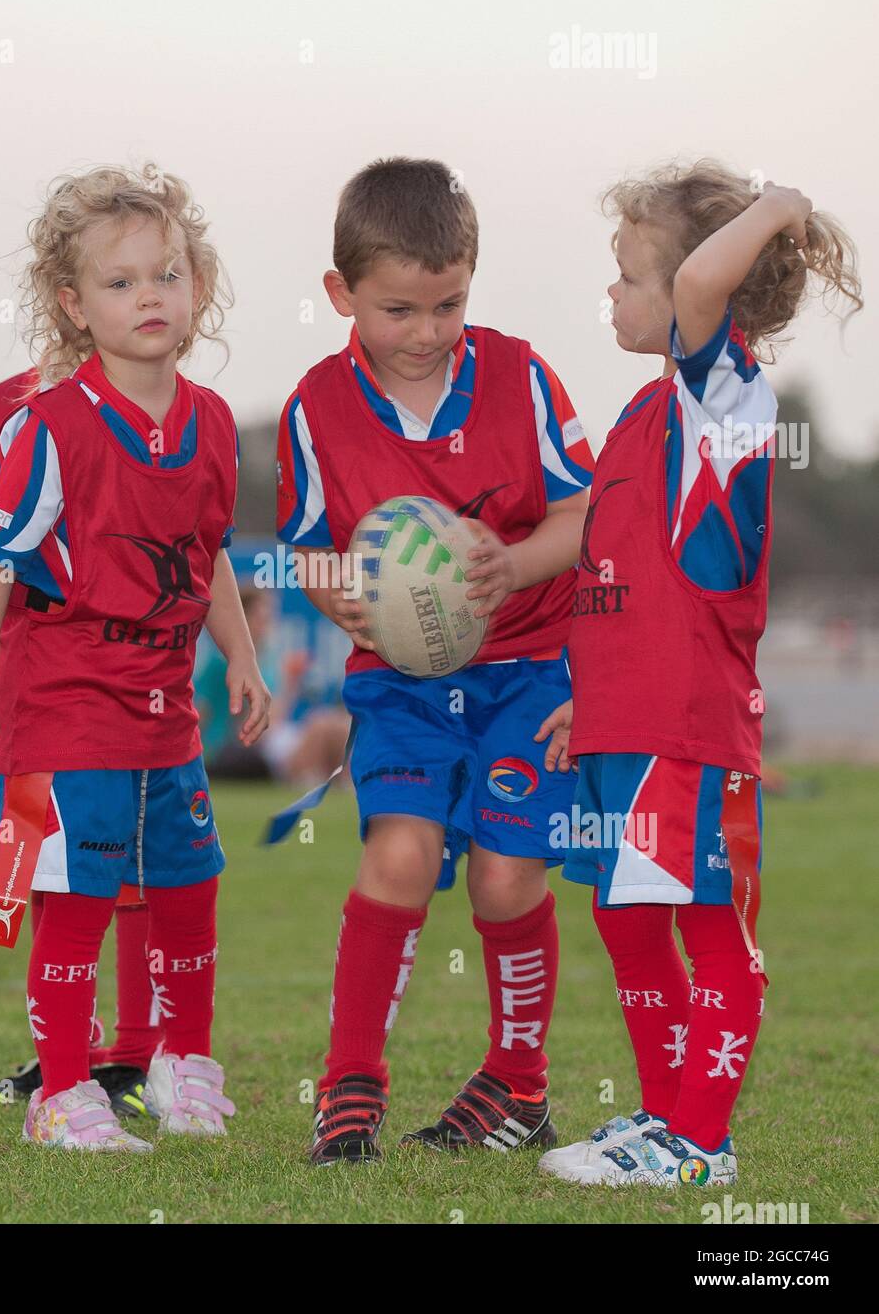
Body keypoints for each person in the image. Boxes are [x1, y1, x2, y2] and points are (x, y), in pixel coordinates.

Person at [534, 163, 861, 1187]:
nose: (613, 297)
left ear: (693, 288)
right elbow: (616, 571)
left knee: (712, 928)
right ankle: (660, 1117)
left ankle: (700, 1145)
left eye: (629, 277)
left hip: (686, 725)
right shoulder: (639, 417)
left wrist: (775, 207)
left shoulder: (722, 393)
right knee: (624, 913)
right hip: (620, 724)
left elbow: (694, 295)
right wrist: (582, 698)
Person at [0, 164, 271, 1152]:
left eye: (165, 274)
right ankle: (64, 1095)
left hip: (165, 709)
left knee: (186, 882)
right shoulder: (49, 426)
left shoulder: (212, 423)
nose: (148, 297)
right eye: (119, 283)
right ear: (73, 305)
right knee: (74, 892)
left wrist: (242, 660)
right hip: (64, 700)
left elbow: (204, 551)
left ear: (197, 284)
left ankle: (183, 1066)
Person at [276, 157, 594, 1165]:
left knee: (505, 876)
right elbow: (306, 548)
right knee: (400, 855)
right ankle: (350, 1086)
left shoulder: (521, 374)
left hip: (528, 669)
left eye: (447, 303)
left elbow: (582, 514)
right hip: (400, 683)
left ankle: (517, 1085)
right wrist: (340, 591)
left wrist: (511, 563)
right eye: (397, 309)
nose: (424, 331)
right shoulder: (314, 406)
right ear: (340, 296)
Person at [0, 372, 165, 1120]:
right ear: (66, 291)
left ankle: (133, 1054)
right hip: (28, 691)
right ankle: (68, 1049)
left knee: (132, 867)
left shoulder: (163, 400)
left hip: (124, 690)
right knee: (28, 872)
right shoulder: (9, 403)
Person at [196, 586, 351, 785]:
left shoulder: (268, 662)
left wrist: (291, 683)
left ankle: (344, 785)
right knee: (321, 726)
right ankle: (314, 781)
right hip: (242, 747)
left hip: (268, 738)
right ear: (243, 620)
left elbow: (274, 718)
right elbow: (220, 718)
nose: (267, 625)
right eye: (261, 618)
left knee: (337, 726)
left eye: (269, 618)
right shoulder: (221, 663)